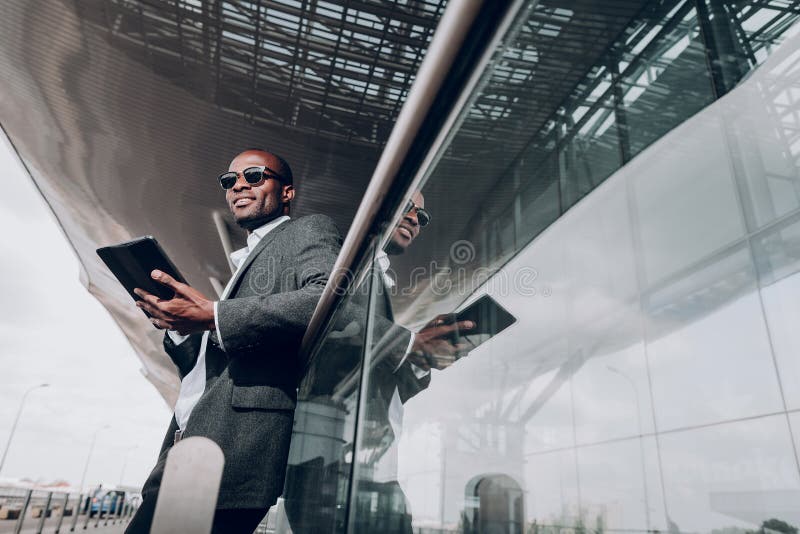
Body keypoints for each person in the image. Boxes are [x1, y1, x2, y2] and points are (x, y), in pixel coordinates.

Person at [126, 149, 342, 534]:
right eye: (230, 180)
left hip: (236, 447)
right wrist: (178, 325)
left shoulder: (308, 230)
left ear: (287, 193)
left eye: (255, 176)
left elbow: (328, 299)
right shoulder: (246, 258)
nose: (239, 184)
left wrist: (214, 314)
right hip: (190, 441)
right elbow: (214, 361)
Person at [284, 191, 473, 534]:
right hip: (331, 464)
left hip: (367, 465)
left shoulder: (377, 275)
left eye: (422, 217)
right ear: (379, 203)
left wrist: (421, 359)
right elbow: (328, 313)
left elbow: (370, 374)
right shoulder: (345, 262)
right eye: (408, 208)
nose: (416, 219)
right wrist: (409, 344)